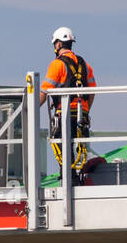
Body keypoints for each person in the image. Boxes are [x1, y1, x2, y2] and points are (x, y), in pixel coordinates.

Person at [41, 26, 96, 180]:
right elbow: (92, 91)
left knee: (61, 145)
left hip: (65, 114)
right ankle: (75, 178)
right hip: (82, 114)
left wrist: (27, 109)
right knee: (78, 147)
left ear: (58, 44)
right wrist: (86, 110)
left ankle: (67, 177)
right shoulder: (85, 64)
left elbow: (44, 92)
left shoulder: (57, 65)